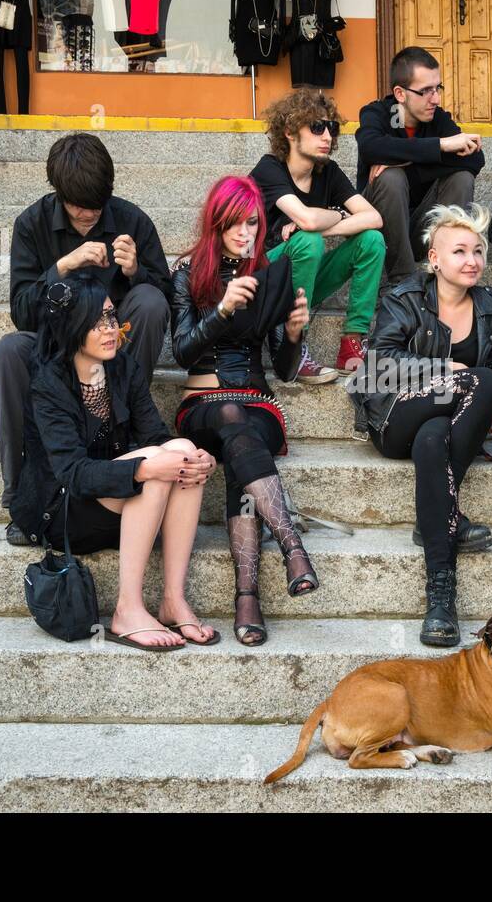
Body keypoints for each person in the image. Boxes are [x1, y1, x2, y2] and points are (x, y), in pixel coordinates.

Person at [9, 273, 219, 651]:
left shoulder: (122, 367)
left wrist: (200, 460)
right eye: (95, 323)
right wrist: (143, 468)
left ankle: (172, 597)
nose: (109, 330)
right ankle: (128, 608)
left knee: (183, 448)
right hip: (64, 511)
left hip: (118, 507)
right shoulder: (49, 385)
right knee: (154, 467)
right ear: (71, 328)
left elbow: (155, 437)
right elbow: (72, 474)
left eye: (110, 317)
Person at [0, 133, 172, 548]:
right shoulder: (31, 224)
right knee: (7, 351)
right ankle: (21, 491)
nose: (88, 214)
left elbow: (167, 304)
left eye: (96, 206)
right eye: (78, 207)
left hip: (114, 353)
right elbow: (21, 311)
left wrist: (135, 272)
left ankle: (127, 438)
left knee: (147, 301)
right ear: (58, 193)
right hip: (56, 354)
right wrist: (62, 267)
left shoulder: (133, 221)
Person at [349, 204, 492, 647]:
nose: (472, 260)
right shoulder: (403, 298)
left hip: (439, 424)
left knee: (435, 437)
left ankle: (440, 597)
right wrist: (449, 372)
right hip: (394, 412)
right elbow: (378, 365)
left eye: (478, 251)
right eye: (458, 251)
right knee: (484, 382)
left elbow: (479, 370)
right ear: (434, 259)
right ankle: (449, 518)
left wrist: (475, 398)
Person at [171, 175, 318, 646]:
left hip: (257, 405)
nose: (245, 233)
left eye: (252, 222)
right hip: (201, 406)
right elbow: (181, 353)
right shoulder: (188, 272)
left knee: (241, 443)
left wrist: (294, 334)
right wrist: (221, 312)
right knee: (232, 422)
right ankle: (290, 544)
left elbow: (285, 369)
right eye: (234, 224)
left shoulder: (271, 274)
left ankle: (248, 598)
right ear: (216, 224)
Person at [250, 88, 386, 381]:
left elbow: (374, 218)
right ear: (289, 131)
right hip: (262, 279)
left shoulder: (328, 172)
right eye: (316, 127)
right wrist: (332, 217)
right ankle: (296, 346)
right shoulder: (269, 169)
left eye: (331, 127)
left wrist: (325, 226)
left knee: (371, 241)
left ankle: (352, 342)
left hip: (304, 275)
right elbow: (308, 218)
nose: (327, 136)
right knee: (308, 240)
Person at [356, 46, 485, 287]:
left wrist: (409, 162)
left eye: (437, 89)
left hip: (420, 231)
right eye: (425, 91)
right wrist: (440, 147)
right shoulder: (377, 113)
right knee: (391, 178)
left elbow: (475, 159)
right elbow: (370, 147)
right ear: (400, 93)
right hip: (379, 231)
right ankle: (402, 282)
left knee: (461, 177)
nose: (435, 99)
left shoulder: (439, 119)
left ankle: (446, 275)